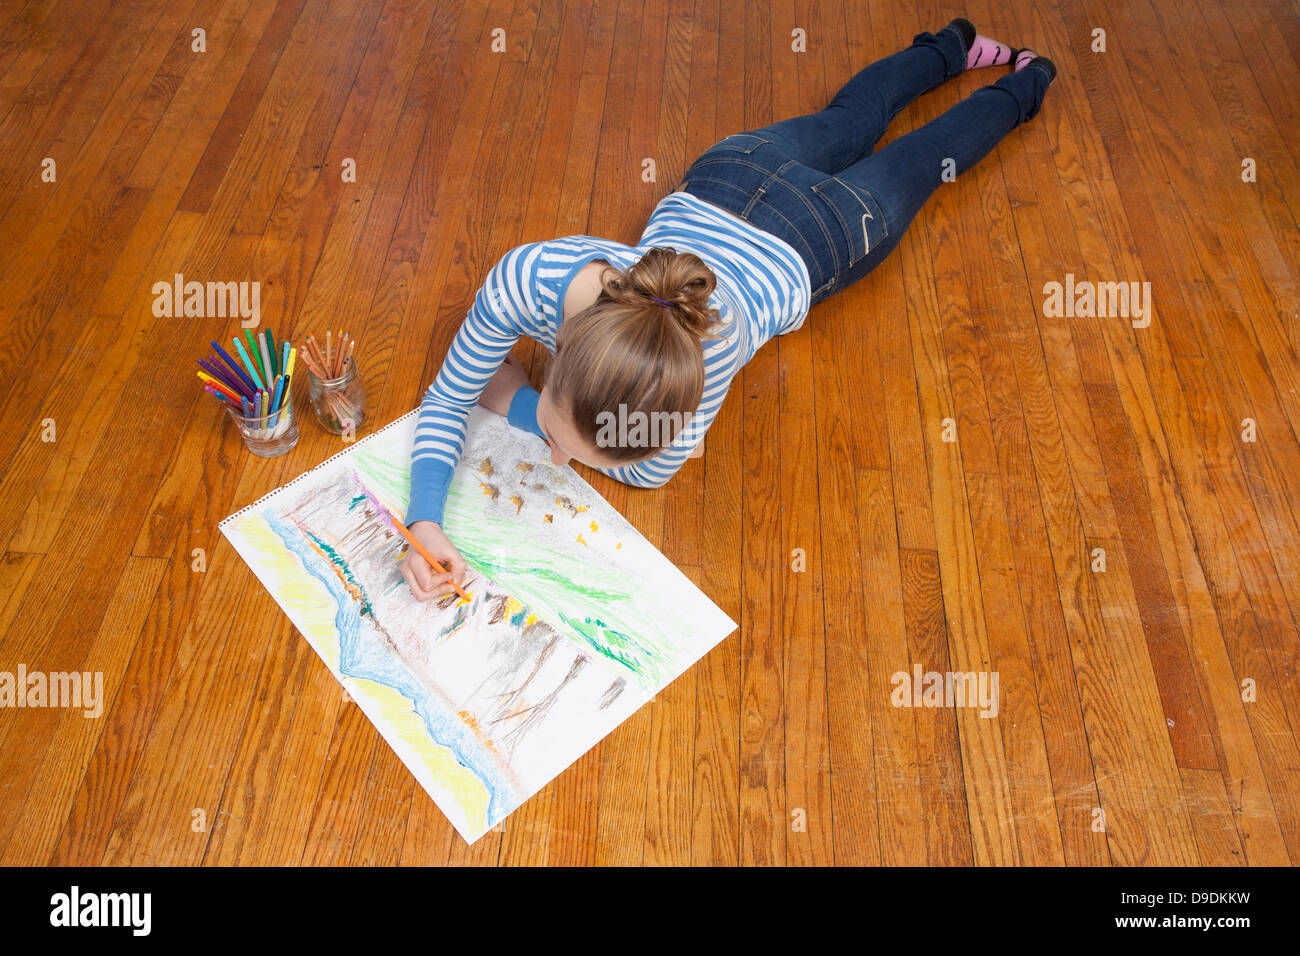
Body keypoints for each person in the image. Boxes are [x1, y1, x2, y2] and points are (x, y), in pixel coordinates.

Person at [401, 17, 1057, 600]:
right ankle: (955, 47)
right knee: (859, 119)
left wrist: (514, 401)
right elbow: (456, 396)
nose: (556, 461)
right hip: (731, 174)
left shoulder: (696, 353)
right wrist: (425, 520)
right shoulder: (529, 279)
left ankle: (1025, 81)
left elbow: (652, 473)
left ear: (558, 351)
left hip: (821, 232)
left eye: (554, 440)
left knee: (921, 154)